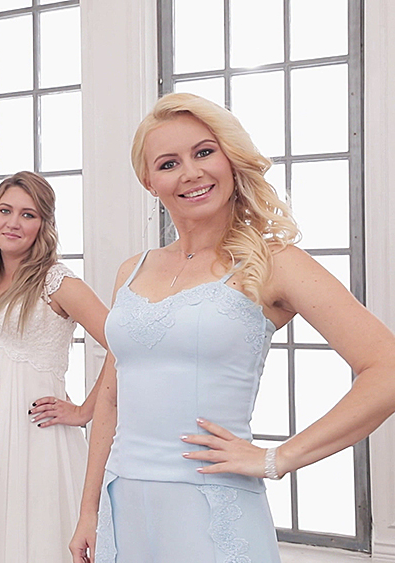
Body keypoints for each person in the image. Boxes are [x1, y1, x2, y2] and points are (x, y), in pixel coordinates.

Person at [68, 93, 395, 563]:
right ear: (149, 182)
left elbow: (386, 368)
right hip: (125, 508)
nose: (191, 172)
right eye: (168, 163)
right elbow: (111, 399)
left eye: (204, 152)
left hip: (213, 510)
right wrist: (89, 509)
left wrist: (279, 458)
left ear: (230, 158)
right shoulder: (132, 270)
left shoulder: (274, 262)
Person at [0, 171, 110, 562]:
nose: (13, 223)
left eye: (28, 214)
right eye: (5, 211)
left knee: (38, 529)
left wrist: (84, 410)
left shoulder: (56, 281)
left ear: (43, 225)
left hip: (37, 432)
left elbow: (124, 343)